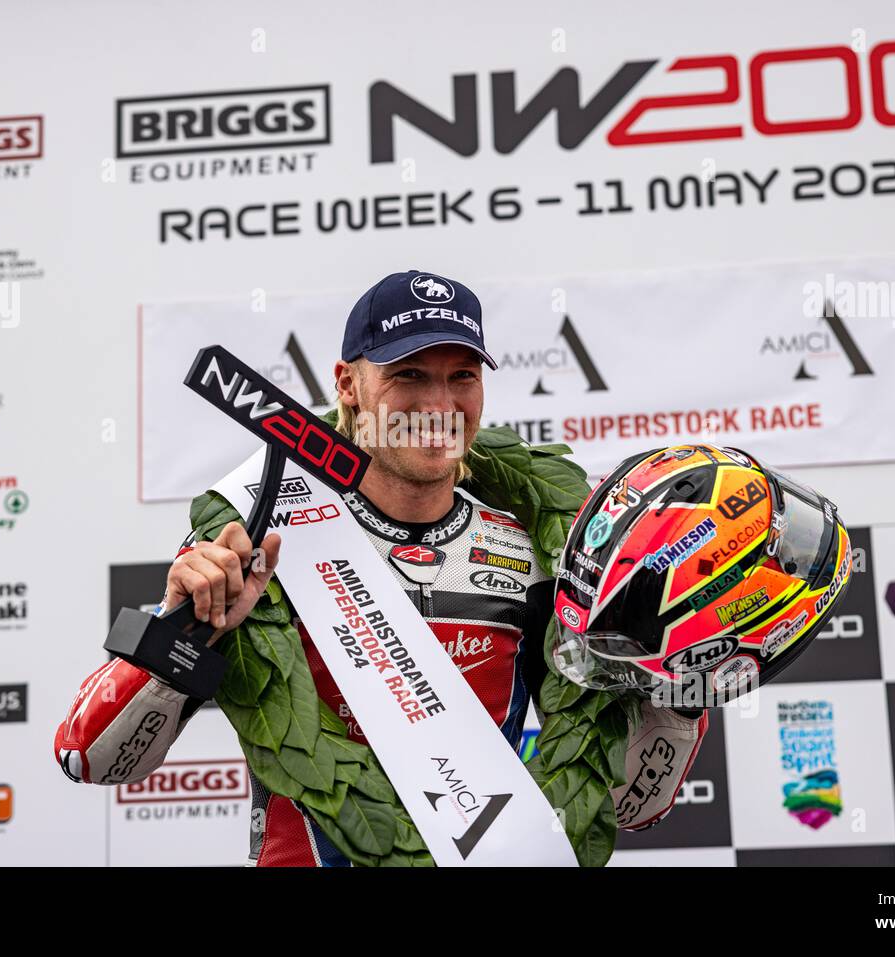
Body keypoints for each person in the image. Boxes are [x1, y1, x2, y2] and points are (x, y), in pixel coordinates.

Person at [54, 269, 709, 866]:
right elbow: (90, 755)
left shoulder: (535, 550)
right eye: (409, 375)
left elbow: (629, 805)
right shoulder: (261, 542)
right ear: (348, 385)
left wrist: (680, 683)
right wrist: (186, 629)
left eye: (462, 375)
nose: (439, 404)